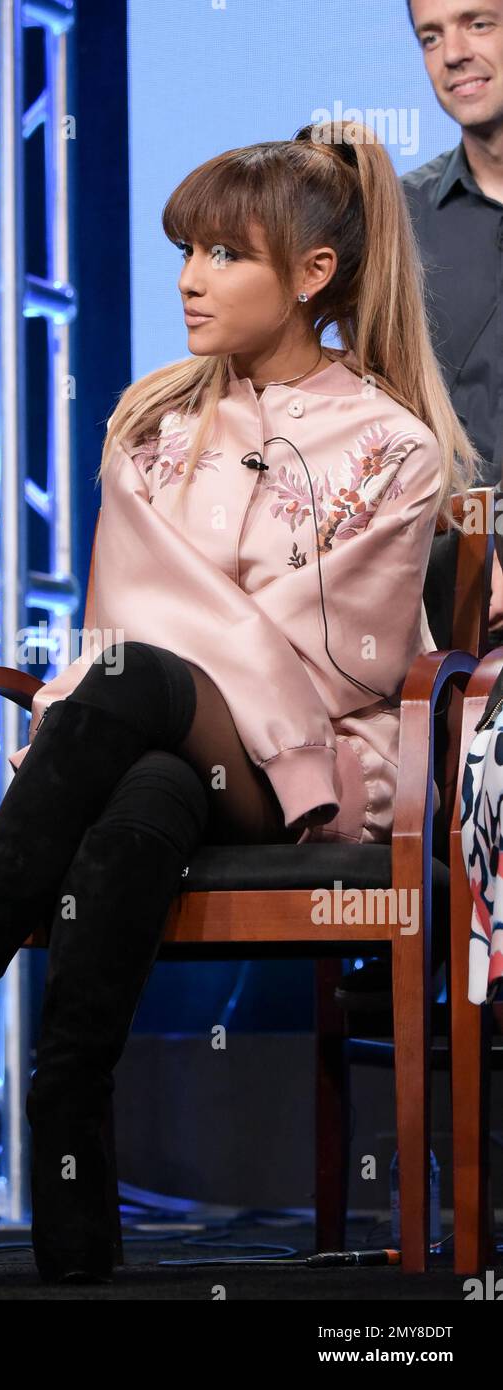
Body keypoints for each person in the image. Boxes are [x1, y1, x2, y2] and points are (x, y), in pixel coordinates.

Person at [0, 119, 476, 1284]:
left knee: (135, 684)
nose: (186, 281)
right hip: (151, 753)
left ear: (313, 275)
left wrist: (168, 663)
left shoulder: (392, 445)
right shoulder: (151, 423)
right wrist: (156, 673)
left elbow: (340, 658)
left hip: (303, 766)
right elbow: (122, 608)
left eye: (221, 255)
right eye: (182, 252)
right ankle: (68, 1153)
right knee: (148, 774)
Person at [339, 0, 503, 1011]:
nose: (453, 55)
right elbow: (370, 428)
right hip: (446, 604)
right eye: (430, 36)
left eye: (478, 22)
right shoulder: (394, 224)